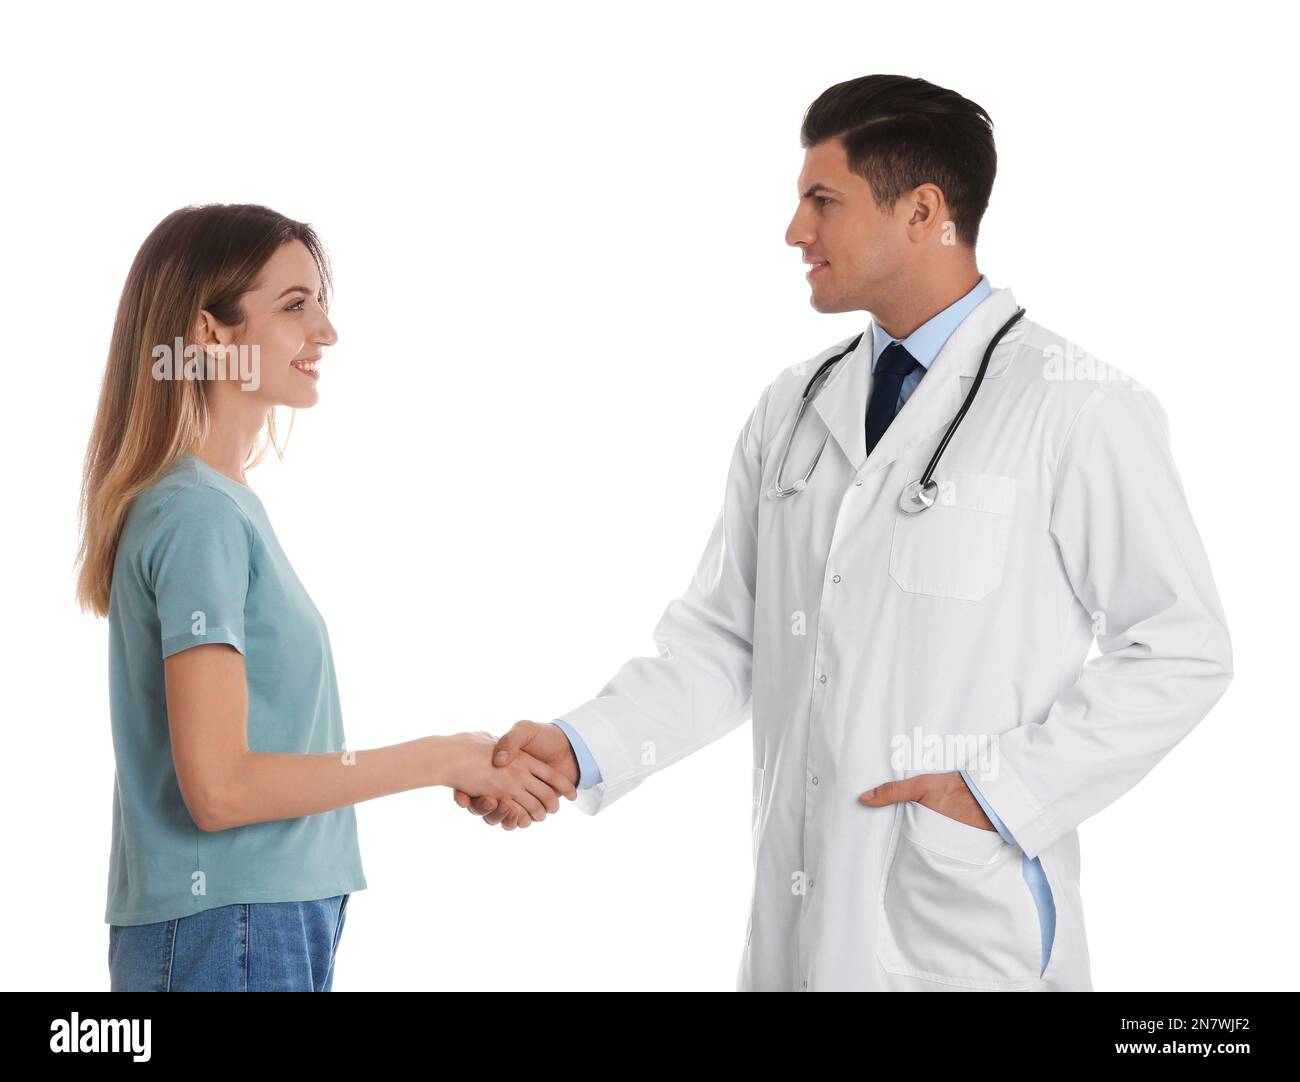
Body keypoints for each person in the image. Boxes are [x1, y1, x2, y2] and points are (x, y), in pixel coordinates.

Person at [454, 74, 1233, 991]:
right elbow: (723, 643)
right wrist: (583, 746)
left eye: (822, 202)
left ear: (923, 211)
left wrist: (993, 798)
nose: (795, 232)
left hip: (962, 930)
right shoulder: (794, 405)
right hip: (798, 929)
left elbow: (1181, 648)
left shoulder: (1078, 405)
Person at [77, 204, 576, 992]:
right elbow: (219, 787)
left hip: (253, 922)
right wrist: (443, 756)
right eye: (295, 305)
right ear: (208, 332)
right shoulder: (199, 513)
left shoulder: (220, 505)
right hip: (230, 927)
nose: (327, 331)